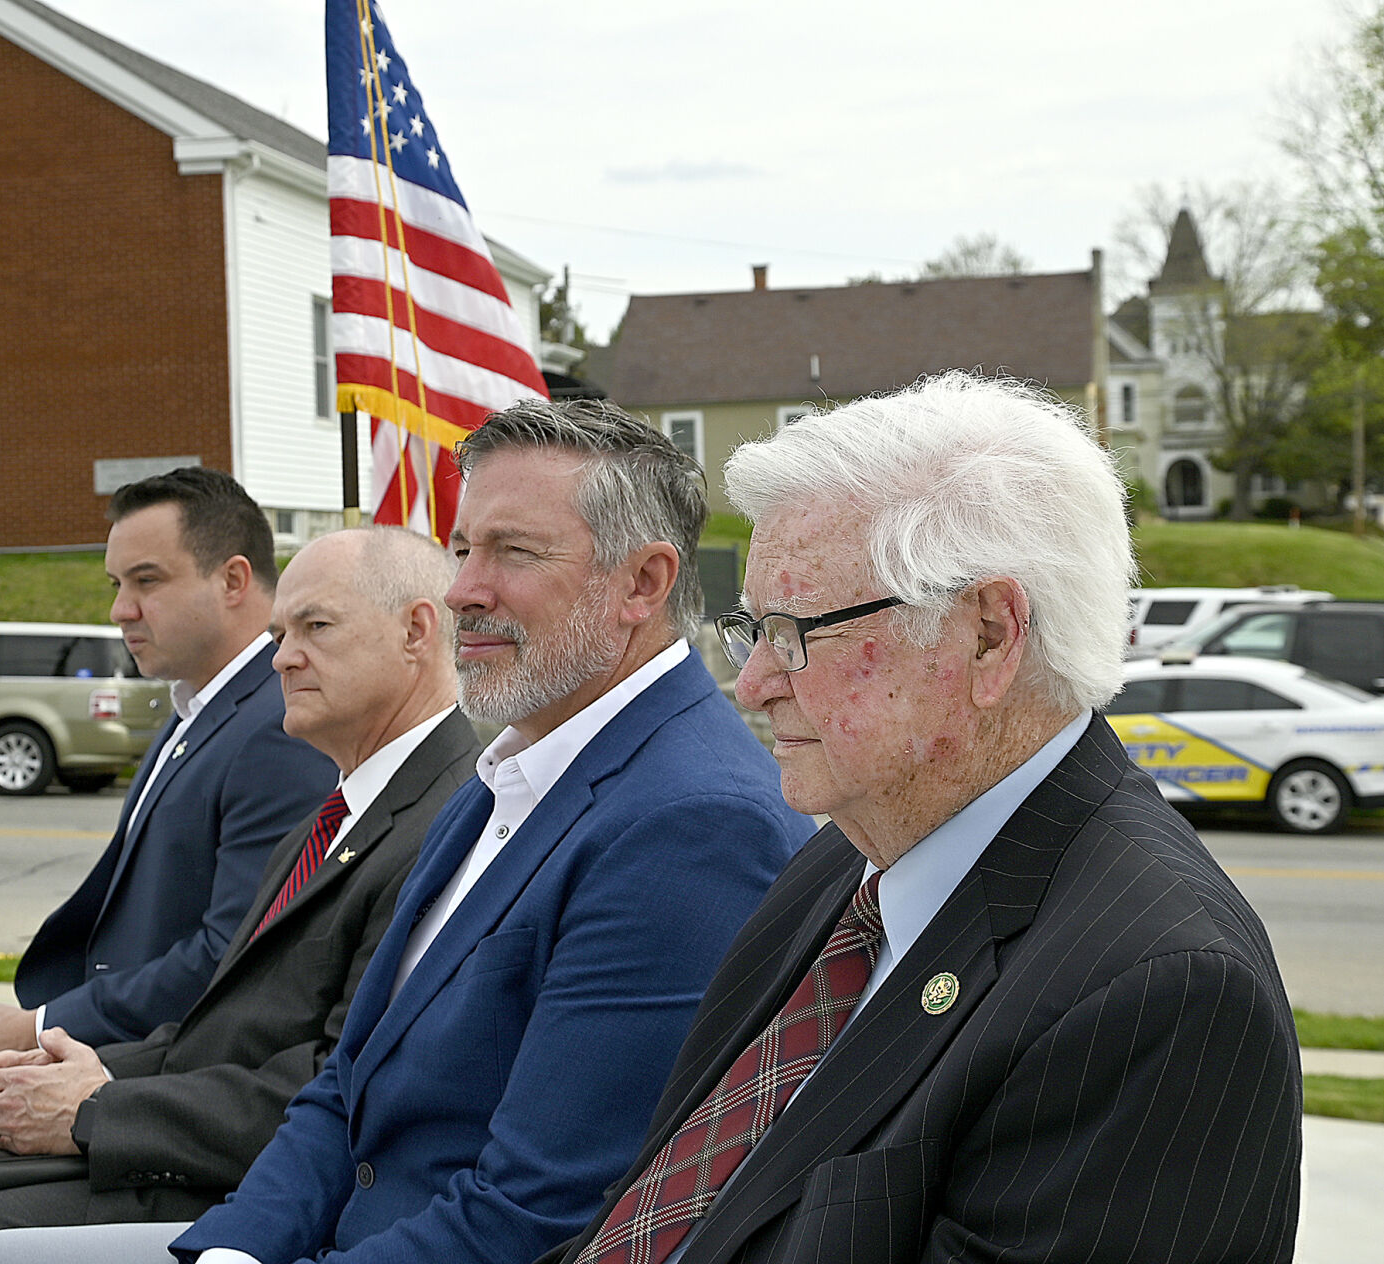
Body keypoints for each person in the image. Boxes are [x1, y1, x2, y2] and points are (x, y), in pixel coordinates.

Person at [0, 398, 813, 1264]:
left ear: (642, 584)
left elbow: (538, 1216)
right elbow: (342, 1087)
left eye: (512, 552)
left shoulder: (690, 824)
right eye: (465, 547)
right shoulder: (504, 773)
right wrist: (235, 1253)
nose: (464, 588)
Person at [544, 371, 1302, 1264]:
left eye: (795, 631)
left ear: (988, 633)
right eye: (753, 628)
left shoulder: (1158, 999)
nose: (752, 684)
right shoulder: (847, 862)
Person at [0, 526, 481, 1264]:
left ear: (415, 631)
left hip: (260, 1180)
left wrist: (97, 1109)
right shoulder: (344, 806)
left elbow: (341, 1083)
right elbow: (225, 1029)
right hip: (192, 1125)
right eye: (278, 633)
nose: (281, 656)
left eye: (315, 627)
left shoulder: (445, 819)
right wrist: (78, 1072)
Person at [0, 467, 336, 1264]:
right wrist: (31, 1024)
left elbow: (223, 957)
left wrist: (39, 1028)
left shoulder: (274, 729)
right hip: (96, 1027)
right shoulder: (194, 712)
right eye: (116, 583)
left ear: (233, 581)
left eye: (145, 582)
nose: (120, 609)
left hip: (158, 1060)